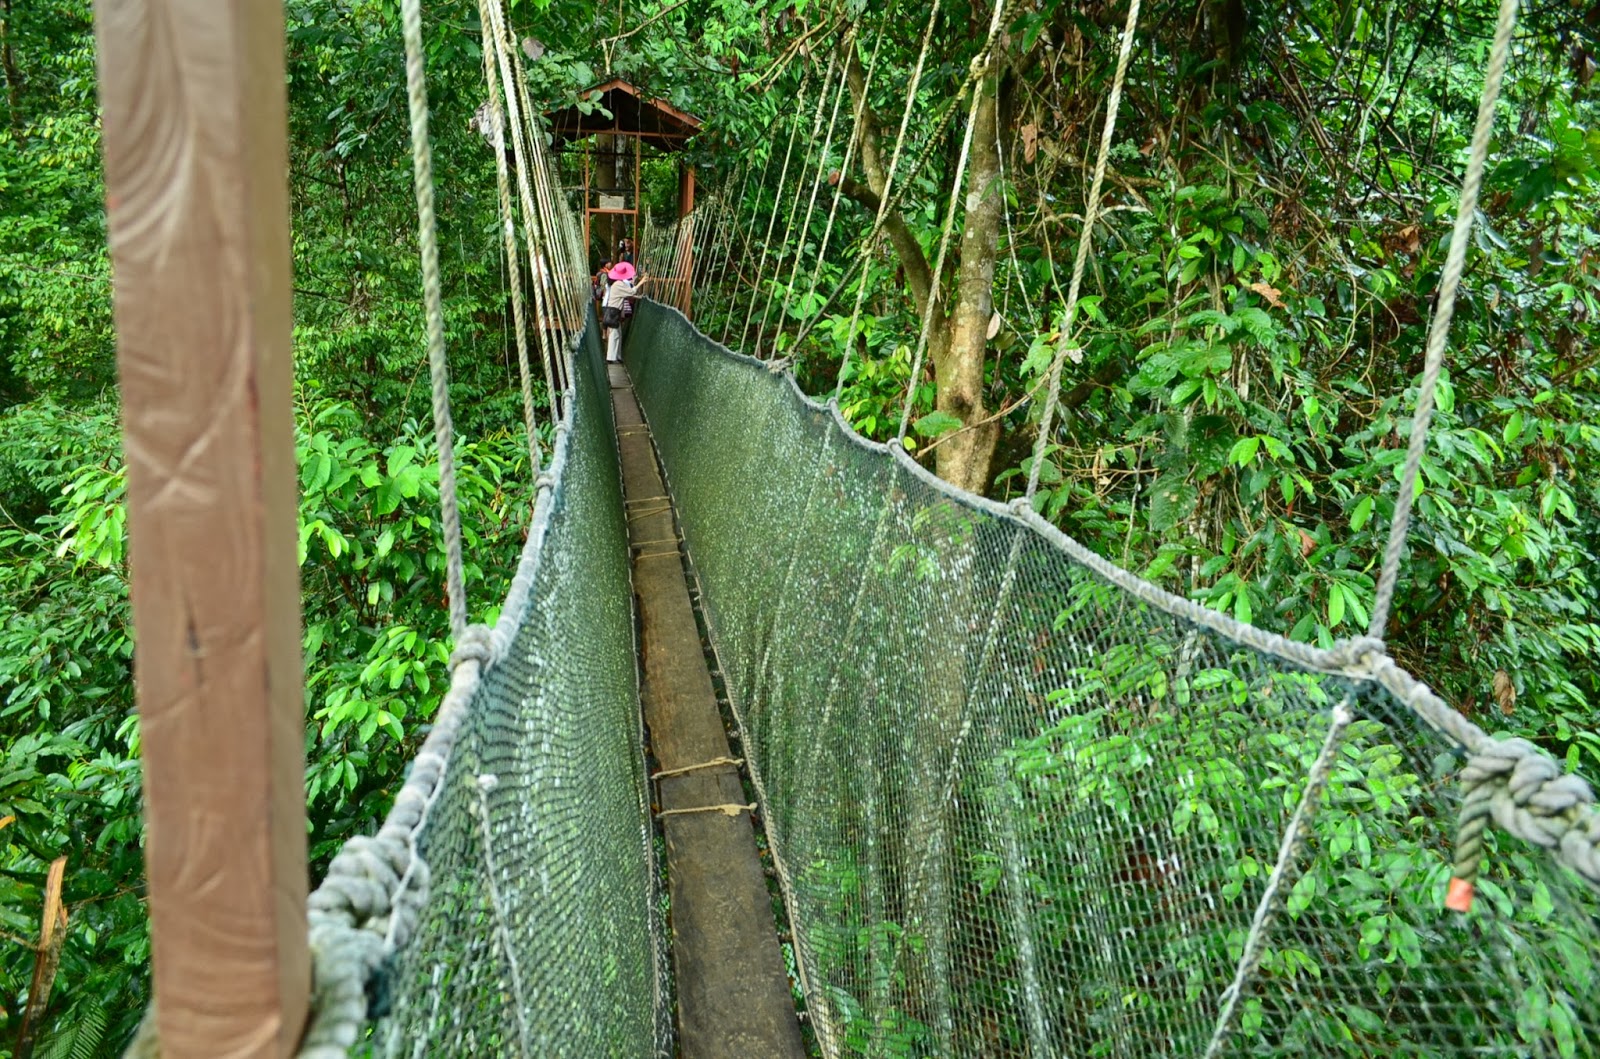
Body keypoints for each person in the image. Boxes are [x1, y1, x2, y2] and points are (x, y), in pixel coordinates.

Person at [602, 260, 647, 363]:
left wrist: (637, 297)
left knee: (618, 334)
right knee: (614, 334)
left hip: (613, 311)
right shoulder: (619, 284)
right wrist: (641, 282)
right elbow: (631, 291)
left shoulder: (617, 284)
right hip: (614, 312)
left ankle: (617, 356)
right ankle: (611, 358)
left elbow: (627, 295)